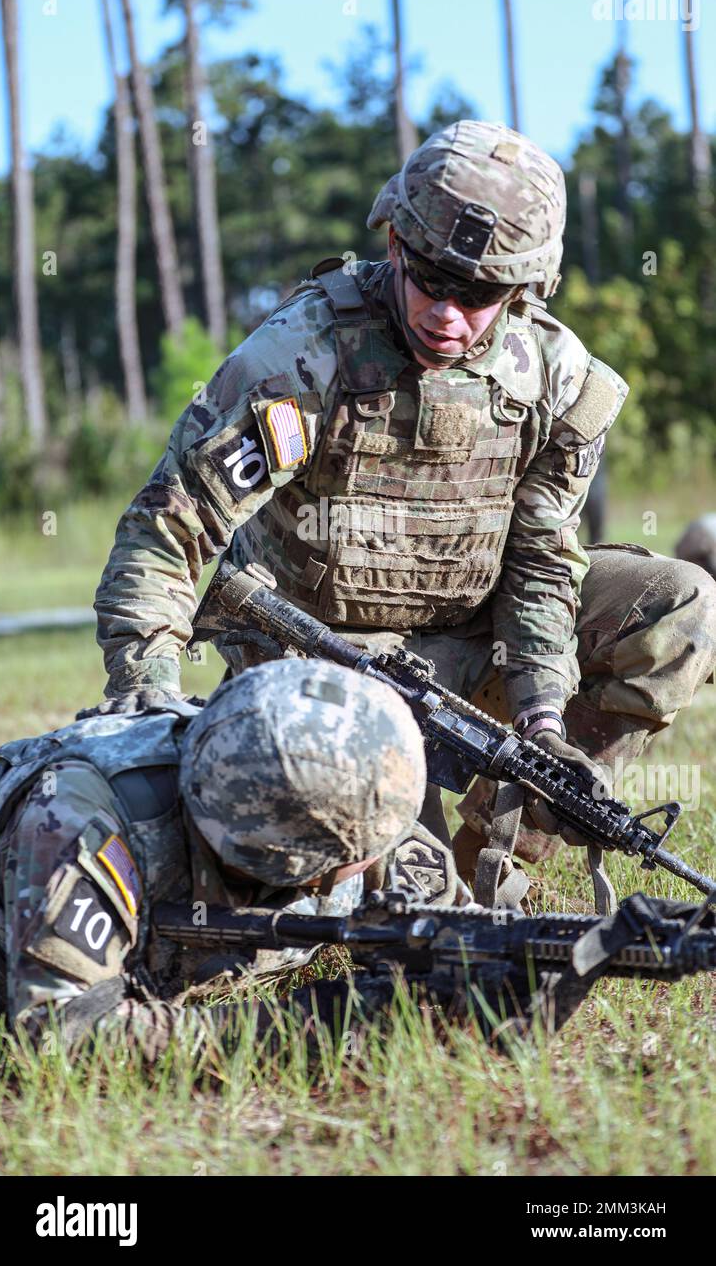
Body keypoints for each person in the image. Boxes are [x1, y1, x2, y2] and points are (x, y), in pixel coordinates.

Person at [94, 119, 716, 904]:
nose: (447, 314)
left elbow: (542, 565)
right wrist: (147, 685)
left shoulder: (556, 380)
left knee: (683, 606)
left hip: (473, 637)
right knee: (386, 902)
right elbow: (169, 528)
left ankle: (501, 855)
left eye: (481, 293)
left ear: (524, 290)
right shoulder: (303, 357)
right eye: (430, 277)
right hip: (327, 665)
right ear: (394, 244)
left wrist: (543, 722)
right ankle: (416, 873)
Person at [0, 658, 466, 1061]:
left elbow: (464, 938)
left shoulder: (354, 790)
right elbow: (61, 1033)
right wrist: (300, 1026)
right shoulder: (79, 820)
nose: (379, 857)